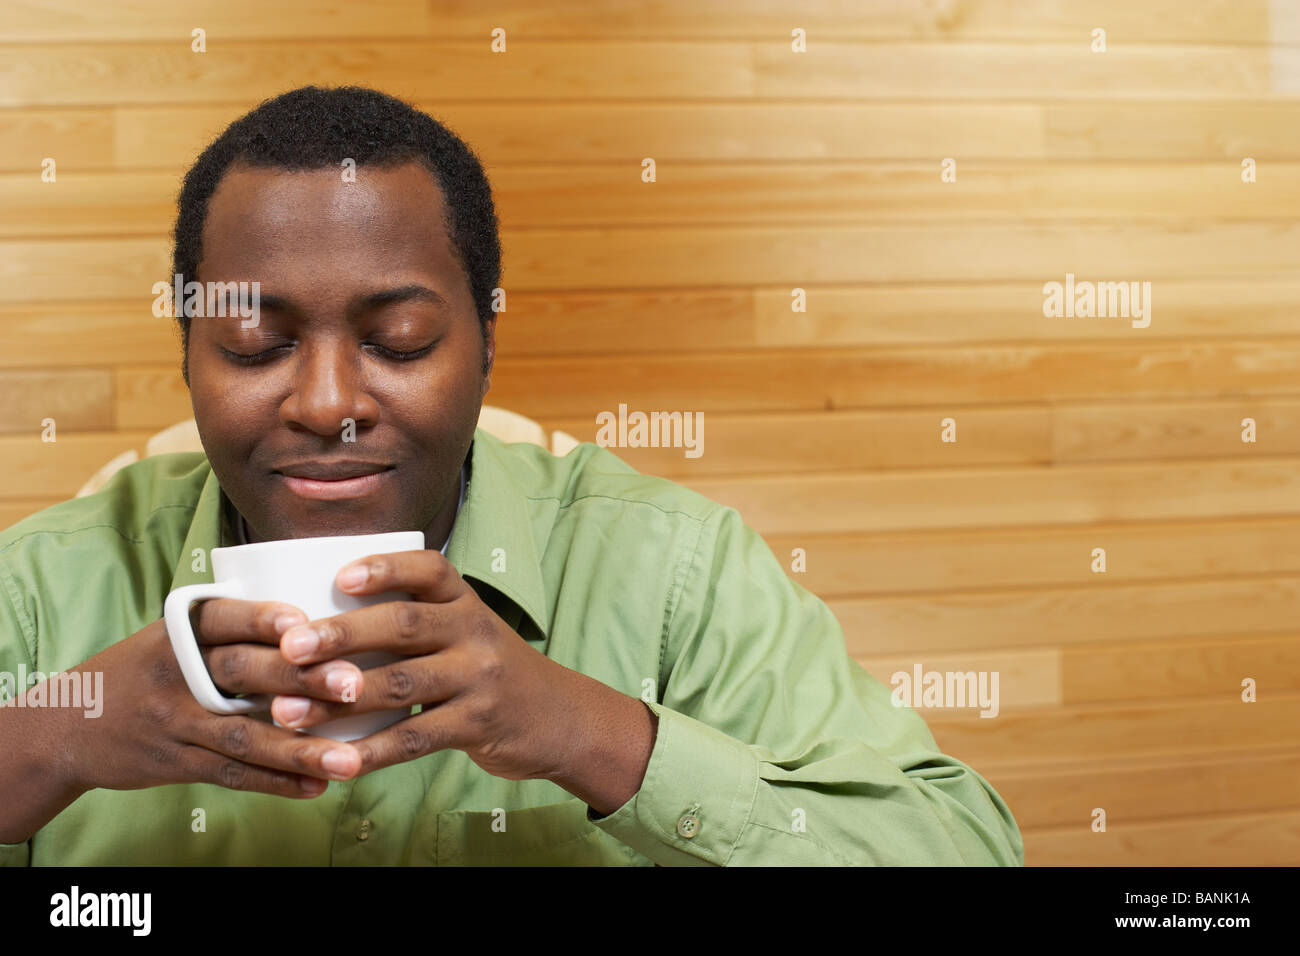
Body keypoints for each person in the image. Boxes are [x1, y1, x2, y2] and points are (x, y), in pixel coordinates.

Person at [0, 86, 1023, 866]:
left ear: (485, 341)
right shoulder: (47, 585)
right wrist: (51, 742)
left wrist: (591, 731)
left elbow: (964, 845)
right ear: (186, 348)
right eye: (256, 343)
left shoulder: (674, 571)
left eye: (398, 339)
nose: (324, 402)